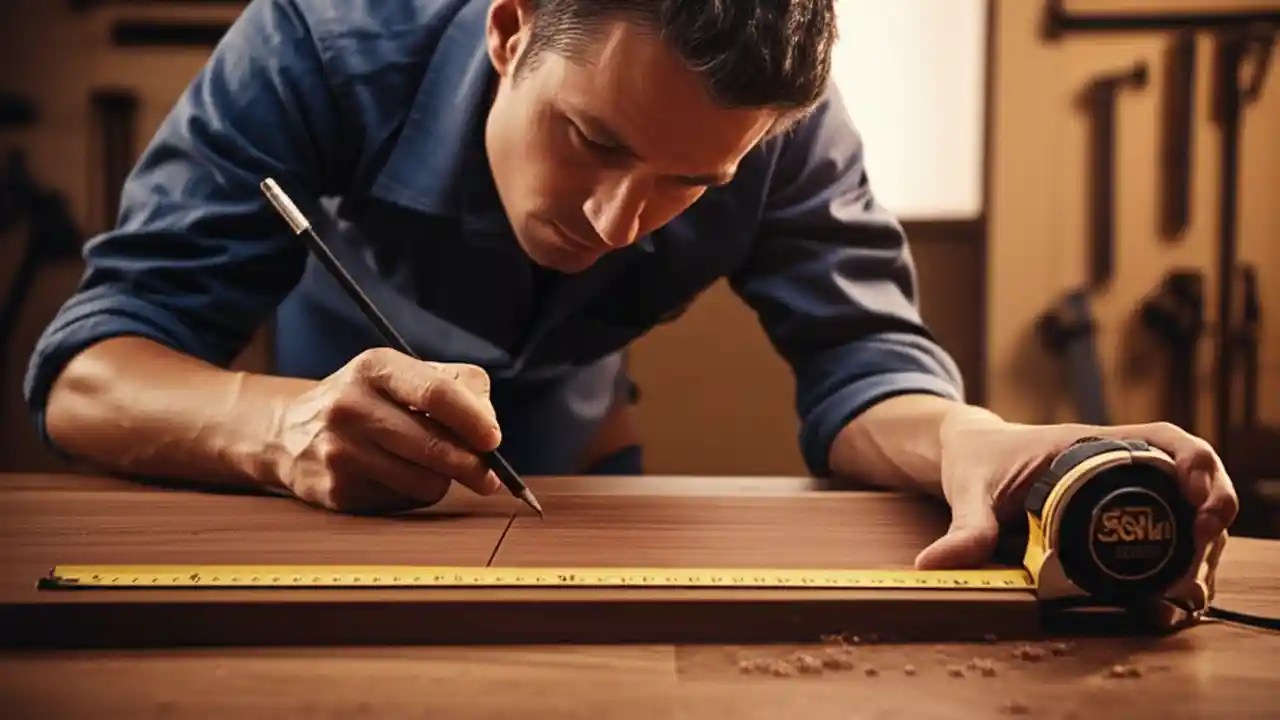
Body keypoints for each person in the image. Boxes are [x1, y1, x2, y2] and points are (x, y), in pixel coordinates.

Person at [24, 0, 1236, 572]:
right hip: (327, 459)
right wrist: (277, 425)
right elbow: (91, 371)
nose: (615, 224)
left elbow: (865, 369)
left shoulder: (781, 134)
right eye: (593, 140)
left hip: (581, 449)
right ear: (510, 28)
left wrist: (973, 441)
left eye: (689, 184)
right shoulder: (314, 43)